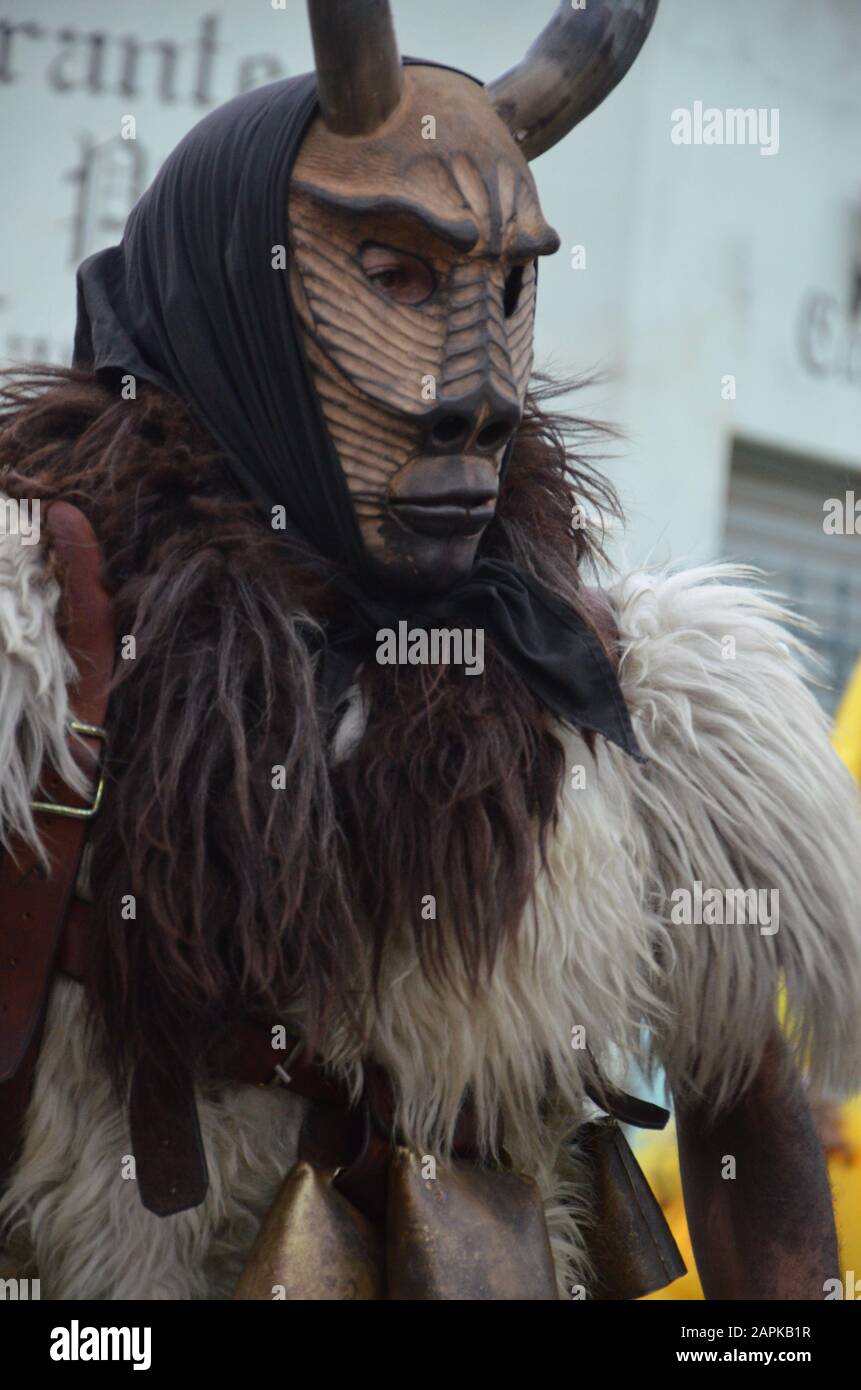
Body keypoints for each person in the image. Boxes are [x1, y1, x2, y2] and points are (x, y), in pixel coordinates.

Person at [1, 0, 860, 1301]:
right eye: (398, 275)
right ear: (236, 287)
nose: (480, 384)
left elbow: (753, 1161)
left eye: (506, 286)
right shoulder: (37, 648)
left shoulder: (637, 705)